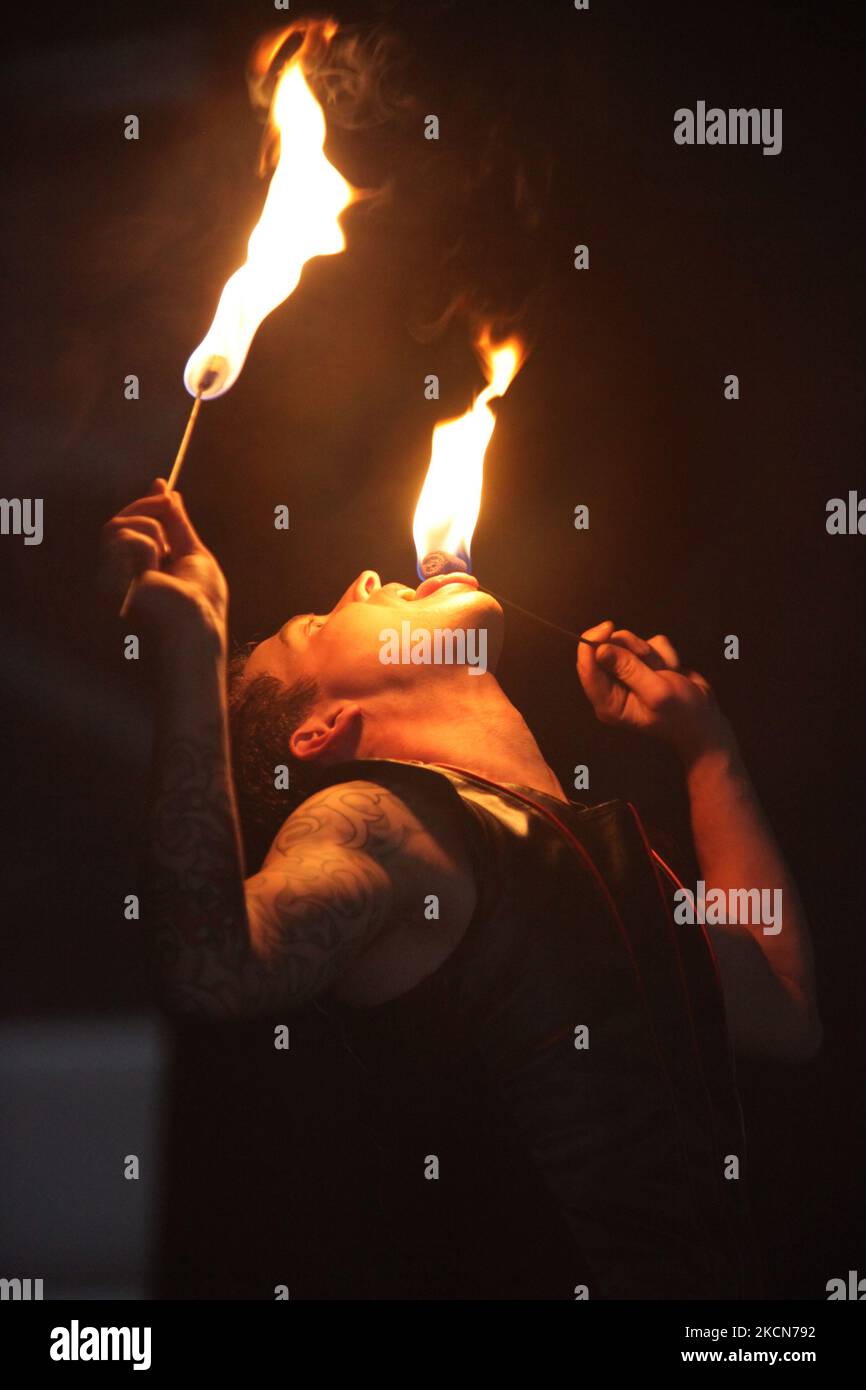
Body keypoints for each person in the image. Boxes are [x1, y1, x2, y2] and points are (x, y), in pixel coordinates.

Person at [101, 477, 821, 1299]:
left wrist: (708, 753)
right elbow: (205, 969)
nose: (362, 581)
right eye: (312, 625)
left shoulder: (603, 860)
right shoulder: (380, 823)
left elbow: (786, 1006)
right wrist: (194, 650)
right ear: (321, 730)